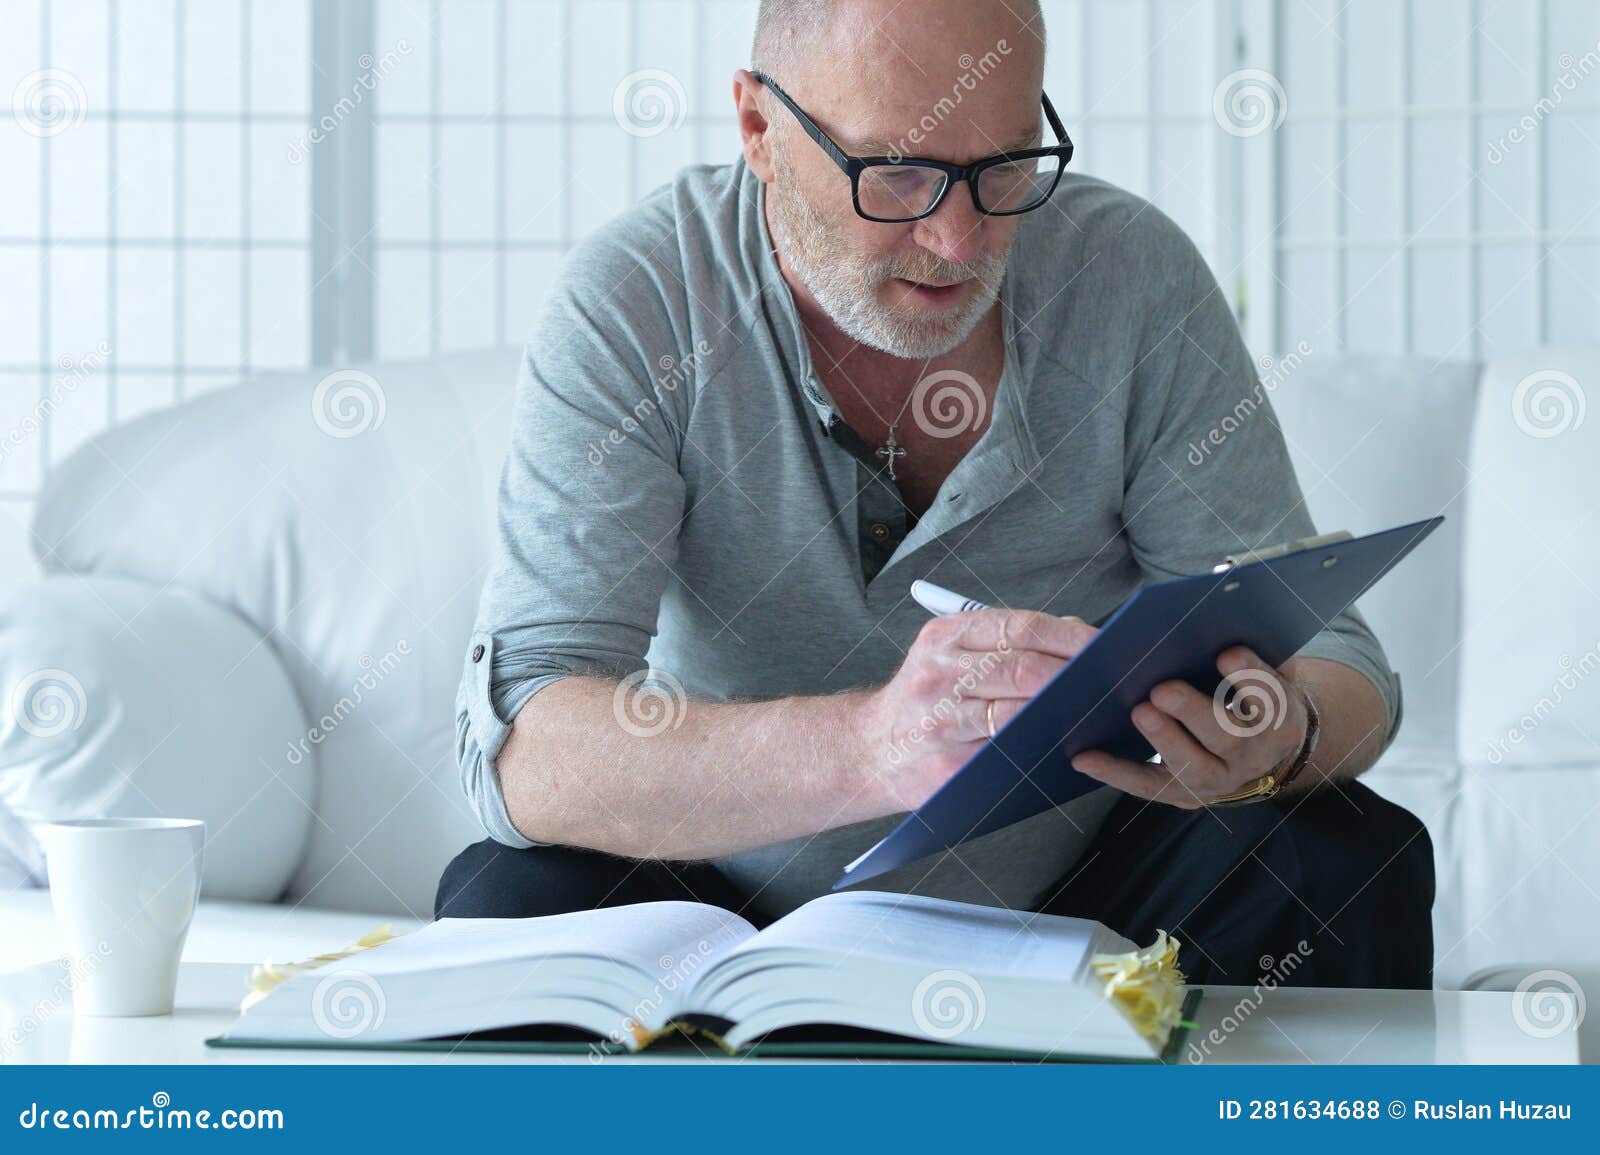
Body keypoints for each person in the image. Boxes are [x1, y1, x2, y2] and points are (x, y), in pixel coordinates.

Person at [438, 0, 1433, 989]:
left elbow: (1341, 667)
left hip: (1091, 901)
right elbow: (523, 747)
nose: (959, 242)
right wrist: (871, 749)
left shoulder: (1130, 277)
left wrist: (1273, 734)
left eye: (1002, 166)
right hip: (728, 910)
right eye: (897, 172)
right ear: (758, 130)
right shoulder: (640, 300)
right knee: (508, 900)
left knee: (1341, 855)